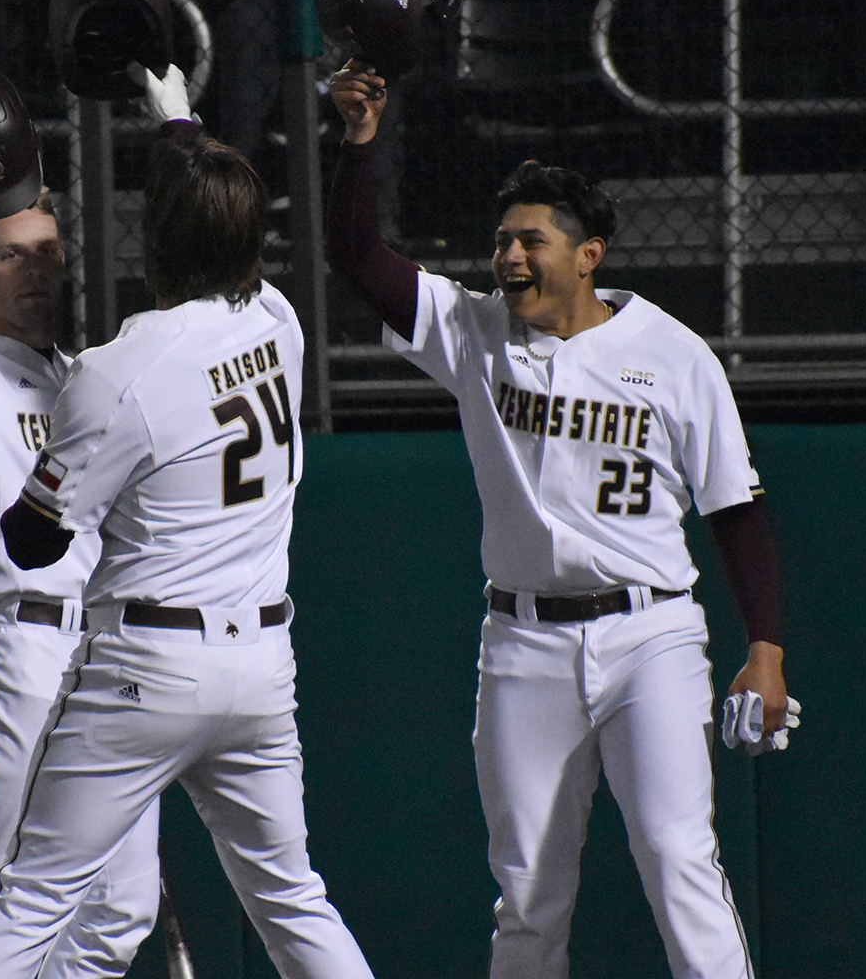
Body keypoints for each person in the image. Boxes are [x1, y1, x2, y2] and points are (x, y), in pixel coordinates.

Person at [325, 61, 798, 979]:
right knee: (528, 896)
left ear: (589, 256)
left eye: (531, 241)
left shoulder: (673, 354)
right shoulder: (475, 332)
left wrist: (766, 648)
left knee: (678, 861)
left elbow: (735, 509)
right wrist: (358, 143)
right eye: (502, 240)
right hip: (522, 643)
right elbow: (359, 258)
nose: (509, 257)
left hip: (650, 635)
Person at [0, 64, 376, 979]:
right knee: (294, 899)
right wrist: (179, 122)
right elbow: (211, 215)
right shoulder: (280, 322)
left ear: (155, 244)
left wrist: (65, 470)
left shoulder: (120, 368)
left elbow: (32, 541)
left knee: (32, 899)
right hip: (260, 671)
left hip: (148, 668)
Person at [0, 181, 161, 978]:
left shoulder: (86, 377)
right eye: (11, 255)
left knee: (120, 905)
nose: (35, 269)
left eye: (46, 252)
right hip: (18, 641)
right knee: (1, 891)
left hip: (103, 652)